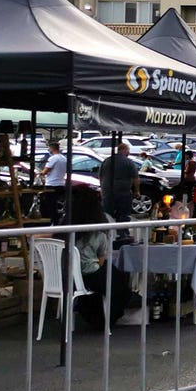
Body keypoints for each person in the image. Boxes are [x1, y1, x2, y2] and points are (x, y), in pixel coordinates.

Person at [66, 186, 130, 331]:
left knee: (110, 272)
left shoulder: (63, 228)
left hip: (65, 276)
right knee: (116, 276)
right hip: (88, 275)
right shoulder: (98, 232)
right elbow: (100, 261)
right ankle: (110, 316)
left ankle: (93, 312)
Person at [99, 142, 140, 223]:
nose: (129, 152)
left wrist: (102, 189)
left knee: (107, 215)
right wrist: (137, 191)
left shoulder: (106, 161)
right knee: (123, 215)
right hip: (123, 193)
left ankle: (108, 233)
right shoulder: (129, 162)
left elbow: (100, 177)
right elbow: (136, 178)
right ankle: (123, 233)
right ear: (124, 150)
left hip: (107, 192)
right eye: (128, 150)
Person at [39, 140, 67, 223]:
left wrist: (40, 173)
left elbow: (45, 171)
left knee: (50, 204)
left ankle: (52, 221)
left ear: (52, 148)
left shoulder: (53, 158)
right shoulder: (63, 158)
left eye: (49, 148)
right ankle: (56, 219)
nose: (48, 150)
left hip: (52, 184)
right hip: (61, 183)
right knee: (55, 203)